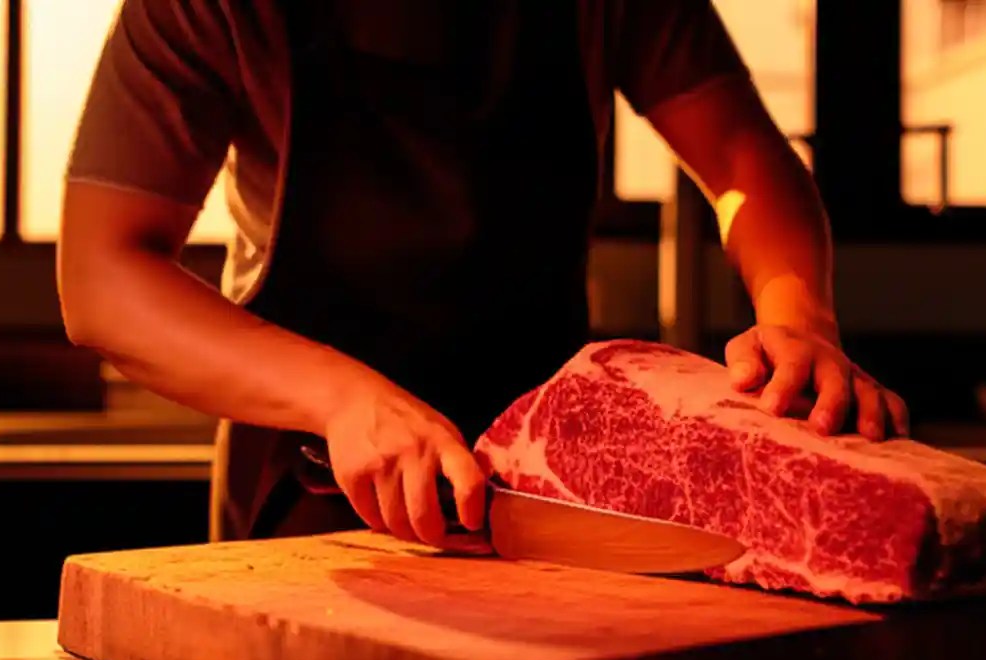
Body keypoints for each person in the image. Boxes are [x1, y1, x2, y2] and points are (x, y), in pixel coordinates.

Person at [56, 0, 909, 549]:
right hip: (313, 473)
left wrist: (797, 317)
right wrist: (343, 398)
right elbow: (104, 277)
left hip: (558, 478)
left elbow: (738, 154)